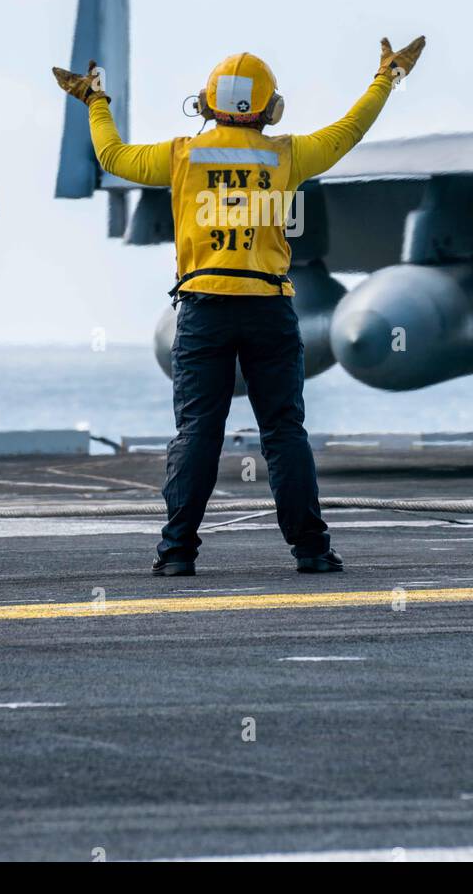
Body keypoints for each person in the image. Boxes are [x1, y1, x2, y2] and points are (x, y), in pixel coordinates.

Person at [53, 36, 425, 575]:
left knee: (198, 430)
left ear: (205, 104)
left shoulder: (182, 155)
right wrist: (386, 77)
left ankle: (177, 552)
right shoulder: (286, 154)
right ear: (271, 109)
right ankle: (312, 551)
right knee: (283, 431)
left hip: (204, 309)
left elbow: (111, 156)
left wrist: (95, 101)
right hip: (268, 308)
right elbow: (351, 131)